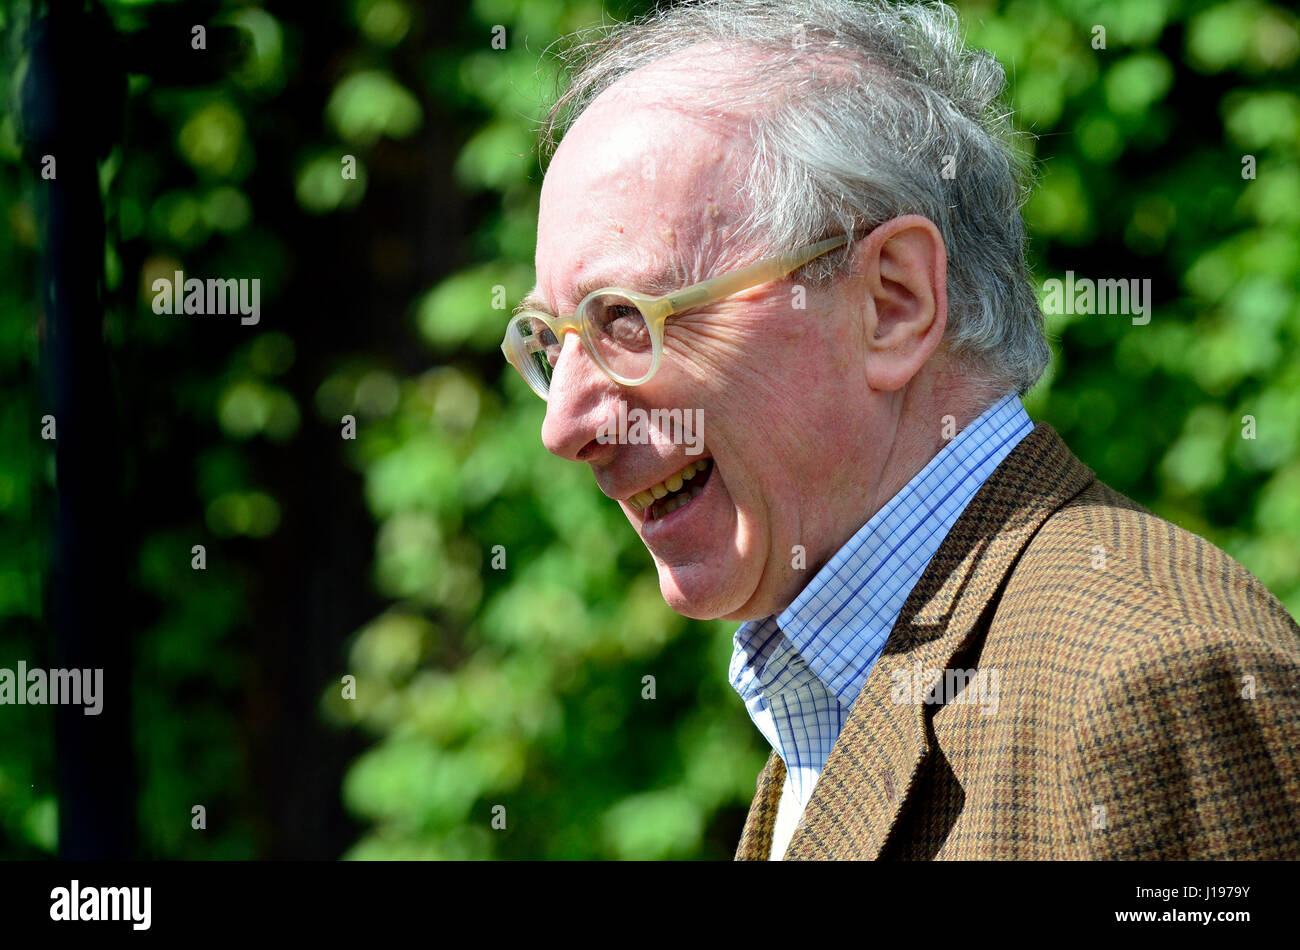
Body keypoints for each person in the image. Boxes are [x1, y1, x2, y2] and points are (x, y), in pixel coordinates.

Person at [499, 0, 1300, 859]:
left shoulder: (1145, 685)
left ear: (893, 302)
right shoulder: (831, 680)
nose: (564, 425)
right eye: (551, 340)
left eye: (624, 319)